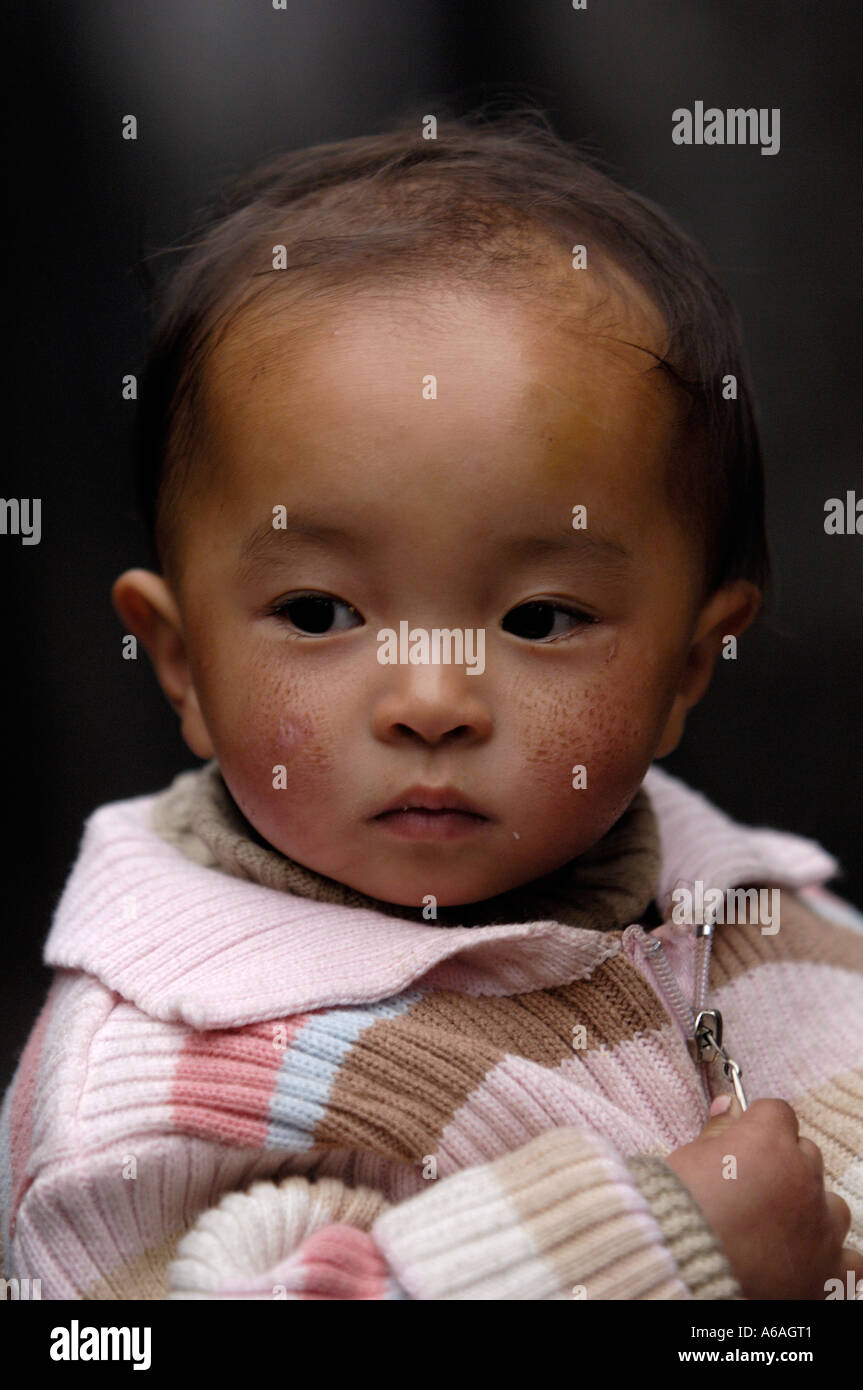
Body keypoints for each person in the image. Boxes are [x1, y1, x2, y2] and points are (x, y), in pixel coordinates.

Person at [2, 110, 862, 1301]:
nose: (430, 700)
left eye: (539, 620)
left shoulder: (752, 915)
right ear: (182, 661)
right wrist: (661, 1249)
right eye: (317, 615)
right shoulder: (169, 1069)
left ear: (685, 669)